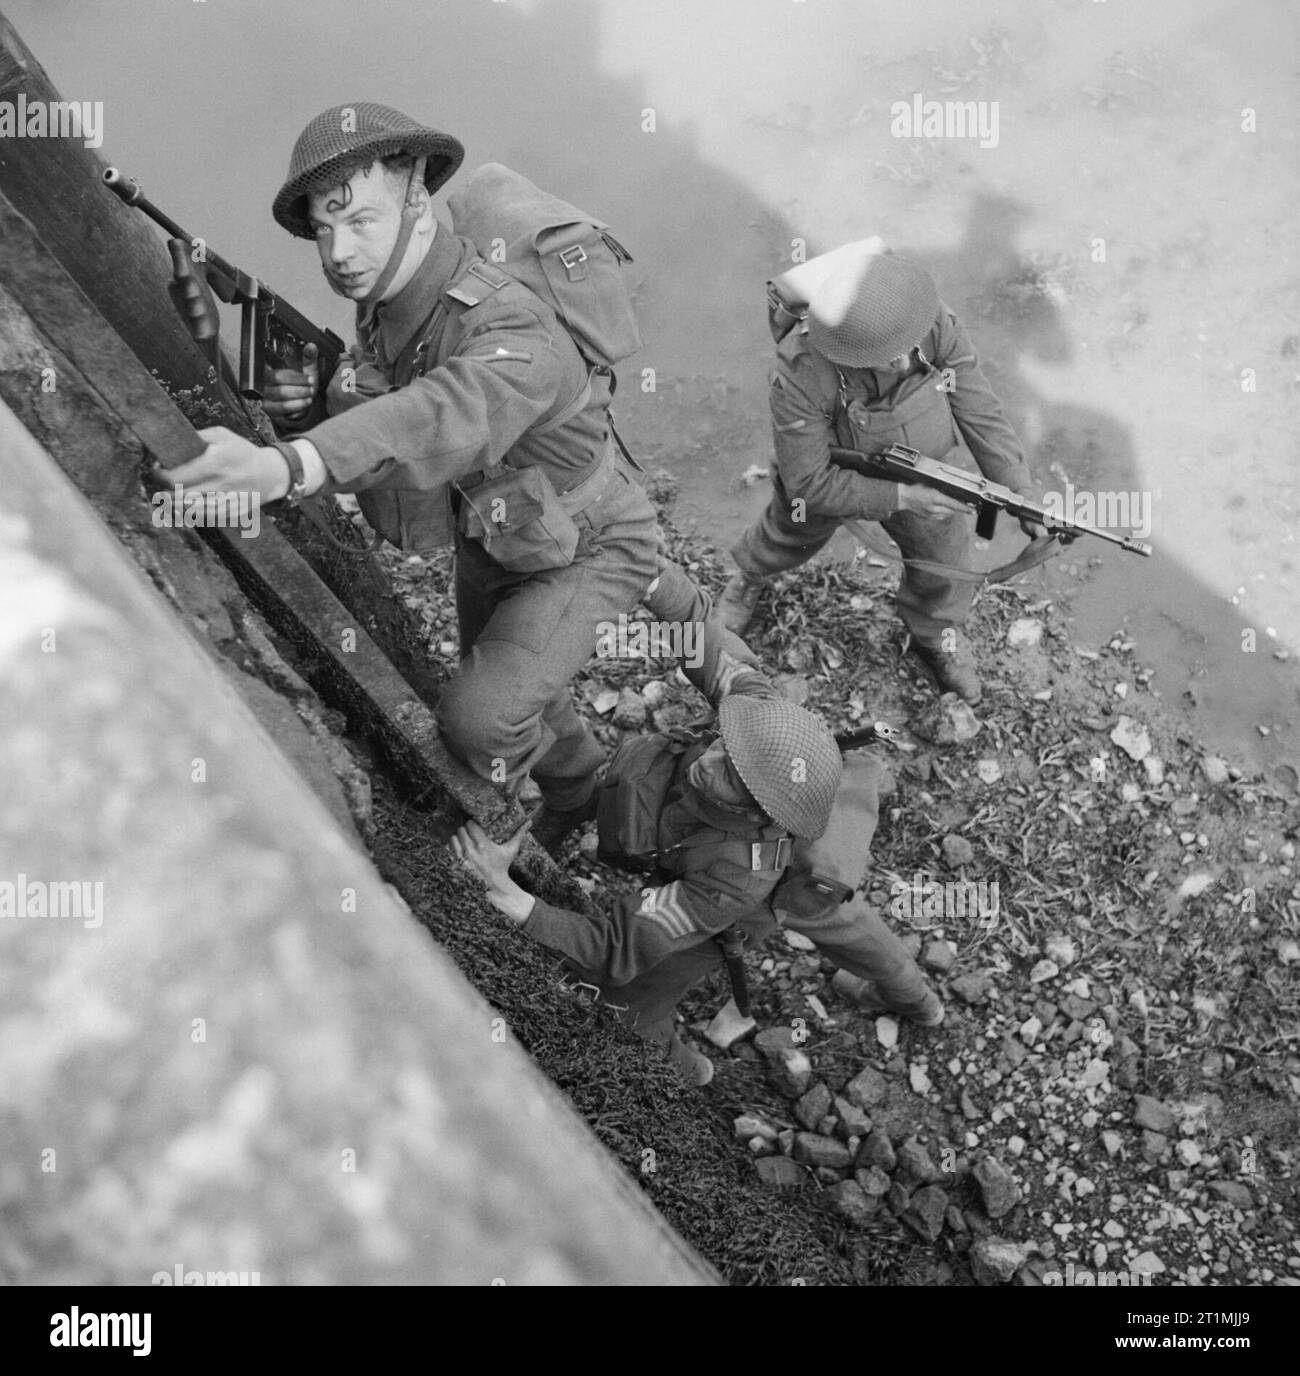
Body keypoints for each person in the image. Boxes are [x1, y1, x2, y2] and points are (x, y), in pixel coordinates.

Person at [157, 103, 660, 827]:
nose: (338, 253)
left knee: (479, 719)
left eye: (360, 220)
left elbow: (447, 413)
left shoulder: (509, 322)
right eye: (324, 230)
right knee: (520, 677)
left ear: (419, 196)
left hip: (588, 542)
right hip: (500, 532)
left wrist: (290, 462)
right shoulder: (389, 305)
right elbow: (397, 466)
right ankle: (578, 789)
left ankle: (517, 823)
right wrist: (306, 415)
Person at [453, 565, 943, 1086]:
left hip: (741, 898)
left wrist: (509, 897)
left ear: (760, 811)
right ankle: (919, 998)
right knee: (845, 923)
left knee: (631, 1007)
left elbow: (617, 948)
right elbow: (699, 636)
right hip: (711, 842)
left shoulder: (733, 882)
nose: (709, 760)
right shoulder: (756, 714)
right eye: (723, 745)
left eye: (733, 775)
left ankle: (699, 1075)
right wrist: (650, 578)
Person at [718, 242, 1041, 705]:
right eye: (885, 354)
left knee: (945, 558)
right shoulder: (801, 372)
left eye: (908, 346)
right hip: (833, 467)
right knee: (792, 528)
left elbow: (977, 405)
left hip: (921, 462)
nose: (905, 359)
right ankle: (750, 578)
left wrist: (1019, 489)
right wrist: (902, 498)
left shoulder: (927, 321)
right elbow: (810, 483)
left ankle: (934, 636)